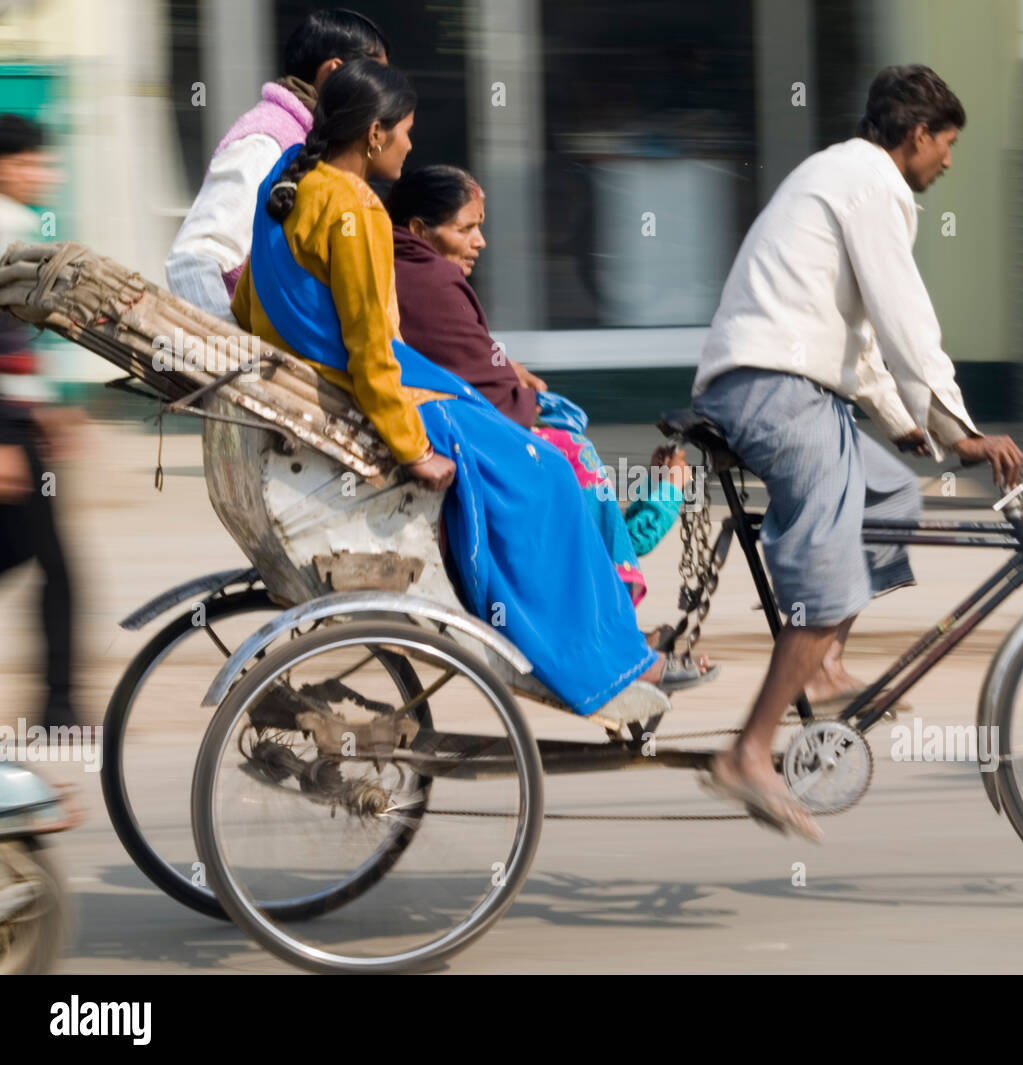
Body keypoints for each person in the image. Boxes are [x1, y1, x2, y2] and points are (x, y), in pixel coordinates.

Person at [232, 59, 710, 715]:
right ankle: (594, 652)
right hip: (389, 400)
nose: (409, 145)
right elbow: (373, 349)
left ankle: (608, 638)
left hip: (339, 387)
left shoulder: (289, 184)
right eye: (403, 132)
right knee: (546, 477)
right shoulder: (357, 211)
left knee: (541, 469)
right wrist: (412, 450)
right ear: (373, 136)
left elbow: (246, 309)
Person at [692, 65, 1023, 839]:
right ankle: (748, 750)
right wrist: (956, 425)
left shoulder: (841, 173)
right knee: (829, 575)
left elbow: (857, 333)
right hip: (774, 390)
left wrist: (899, 417)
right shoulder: (875, 185)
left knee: (891, 493)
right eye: (947, 143)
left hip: (785, 383)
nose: (950, 160)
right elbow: (904, 314)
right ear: (916, 135)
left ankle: (827, 662)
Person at [384, 164, 689, 605]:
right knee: (571, 450)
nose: (480, 242)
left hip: (446, 431)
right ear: (418, 229)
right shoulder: (430, 280)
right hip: (464, 446)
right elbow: (493, 392)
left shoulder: (401, 269)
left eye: (480, 228)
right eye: (465, 228)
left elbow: (472, 362)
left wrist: (509, 372)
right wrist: (520, 386)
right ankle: (612, 611)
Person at [166, 8, 390, 321]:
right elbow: (193, 259)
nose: (382, 98)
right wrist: (233, 351)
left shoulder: (310, 141)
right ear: (332, 71)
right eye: (375, 79)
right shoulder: (266, 142)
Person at [0, 114, 79, 728]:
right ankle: (59, 707)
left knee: (39, 559)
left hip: (20, 421)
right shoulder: (11, 227)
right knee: (53, 566)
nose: (42, 173)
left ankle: (59, 704)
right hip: (8, 428)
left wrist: (48, 408)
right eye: (31, 162)